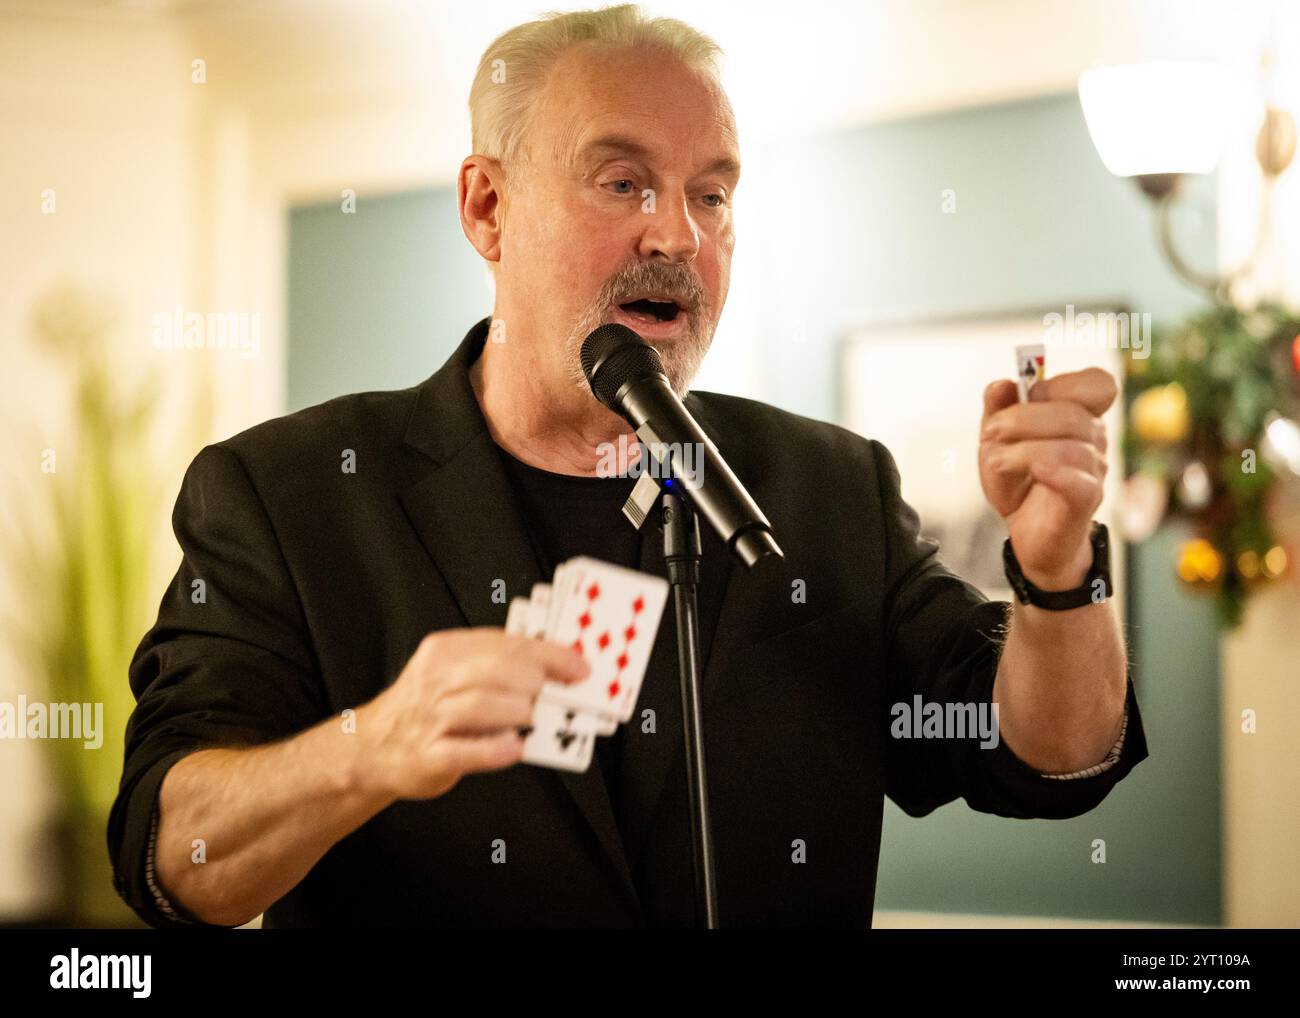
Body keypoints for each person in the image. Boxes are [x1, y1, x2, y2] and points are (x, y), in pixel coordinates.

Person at [108, 4, 1147, 929]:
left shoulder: (831, 488)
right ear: (486, 208)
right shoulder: (288, 494)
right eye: (623, 181)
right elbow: (172, 857)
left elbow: (1047, 756)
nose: (678, 233)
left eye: (713, 194)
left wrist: (1059, 570)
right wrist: (368, 747)